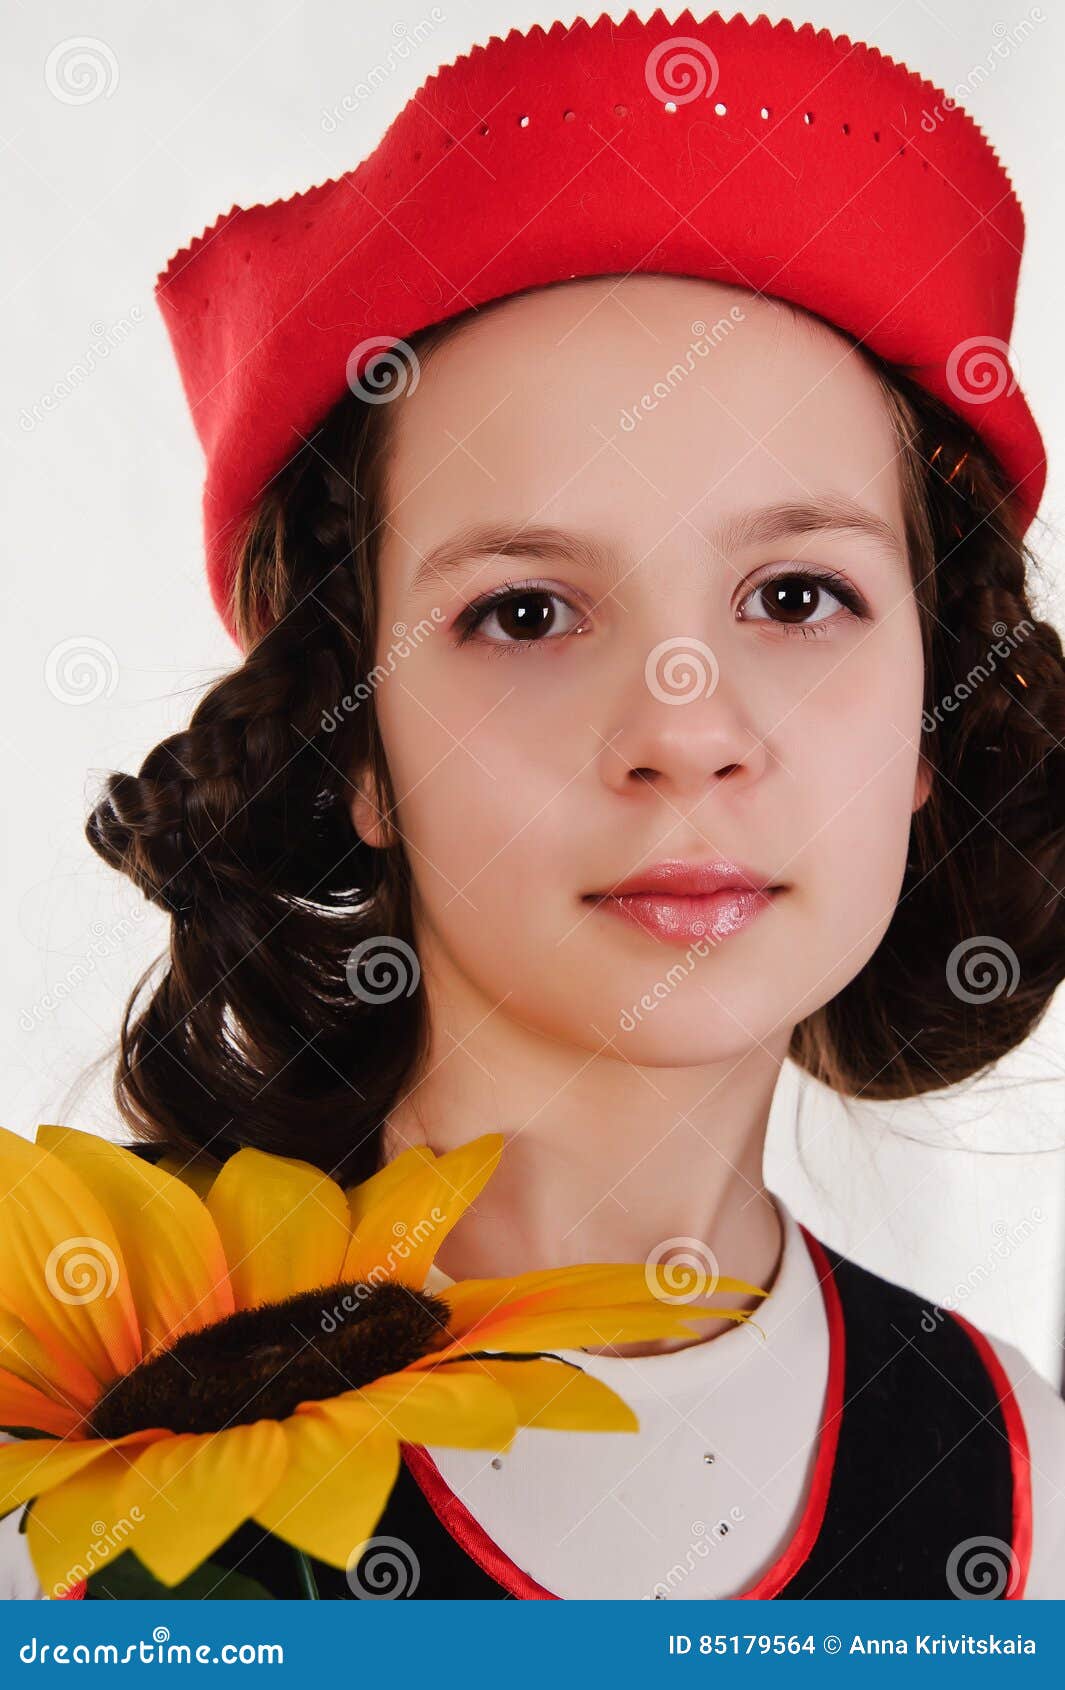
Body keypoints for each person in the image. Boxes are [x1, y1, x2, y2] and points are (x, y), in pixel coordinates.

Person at [7, 9, 1065, 1600]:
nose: (684, 734)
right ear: (348, 742)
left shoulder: (1026, 1492)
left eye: (794, 594)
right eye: (524, 613)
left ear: (933, 713)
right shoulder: (58, 1506)